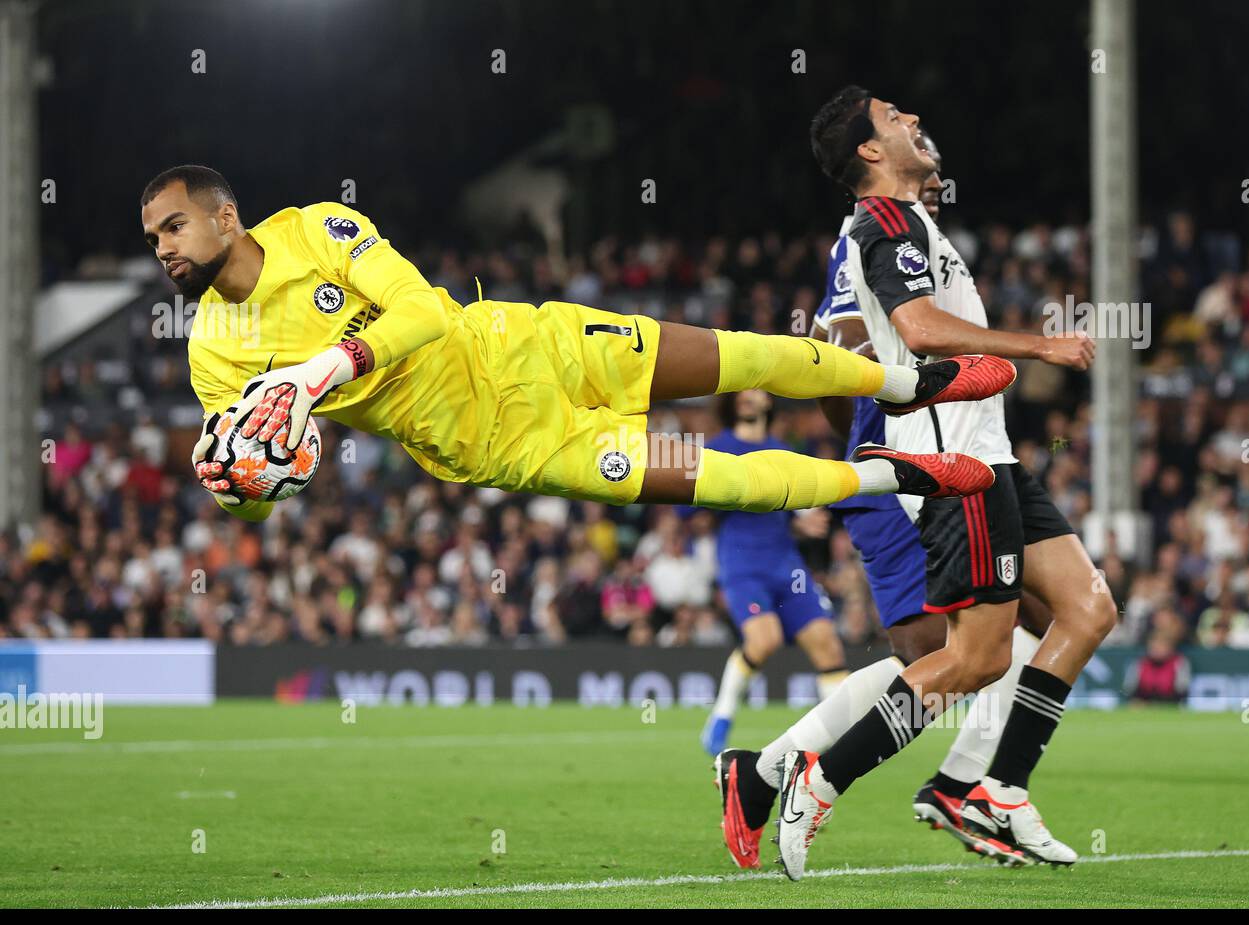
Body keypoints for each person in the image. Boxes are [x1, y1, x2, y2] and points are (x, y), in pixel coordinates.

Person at [140, 167, 1014, 525]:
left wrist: (325, 365)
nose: (164, 248)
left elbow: (421, 313)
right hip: (502, 442)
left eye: (174, 225)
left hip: (536, 343)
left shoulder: (320, 229)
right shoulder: (216, 353)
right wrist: (236, 490)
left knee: (742, 353)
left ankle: (909, 382)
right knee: (720, 478)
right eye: (152, 239)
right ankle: (897, 473)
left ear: (226, 216)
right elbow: (260, 485)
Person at [768, 87, 1114, 880]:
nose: (915, 119)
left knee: (1089, 607)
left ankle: (999, 787)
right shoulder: (884, 221)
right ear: (867, 150)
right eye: (895, 118)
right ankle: (818, 776)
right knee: (977, 659)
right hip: (954, 463)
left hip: (991, 452)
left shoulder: (913, 221)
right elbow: (920, 329)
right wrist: (1040, 347)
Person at [698, 390, 849, 759]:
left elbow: (790, 509)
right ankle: (721, 715)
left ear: (768, 401)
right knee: (764, 640)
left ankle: (842, 737)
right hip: (743, 565)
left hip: (787, 564)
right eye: (744, 391)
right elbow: (694, 510)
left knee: (827, 644)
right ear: (732, 403)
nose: (751, 397)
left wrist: (803, 521)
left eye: (758, 390)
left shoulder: (784, 451)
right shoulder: (716, 449)